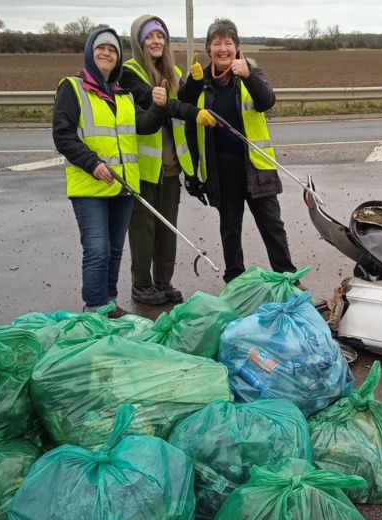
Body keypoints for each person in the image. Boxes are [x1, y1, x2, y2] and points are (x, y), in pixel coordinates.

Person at [52, 27, 169, 317]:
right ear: (90, 53)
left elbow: (144, 126)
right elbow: (63, 135)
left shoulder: (123, 95)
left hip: (123, 187)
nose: (106, 53)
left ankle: (109, 304)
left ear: (118, 59)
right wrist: (92, 163)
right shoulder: (72, 87)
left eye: (113, 50)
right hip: (90, 187)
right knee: (97, 251)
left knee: (115, 250)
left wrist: (158, 107)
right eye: (100, 48)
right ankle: (94, 309)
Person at [178, 18, 299, 284]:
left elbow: (266, 101)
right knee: (230, 230)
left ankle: (288, 278)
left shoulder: (251, 72)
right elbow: (185, 116)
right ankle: (235, 281)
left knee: (272, 226)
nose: (223, 48)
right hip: (220, 170)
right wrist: (193, 173)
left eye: (228, 43)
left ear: (237, 47)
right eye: (217, 43)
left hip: (256, 167)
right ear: (209, 48)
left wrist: (248, 75)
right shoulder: (199, 79)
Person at [119, 15, 217, 306]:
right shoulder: (129, 72)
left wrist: (194, 84)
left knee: (167, 228)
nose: (156, 41)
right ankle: (141, 284)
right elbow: (158, 104)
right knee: (142, 228)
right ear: (139, 41)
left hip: (171, 164)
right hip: (144, 167)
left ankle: (163, 280)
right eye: (149, 36)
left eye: (160, 36)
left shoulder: (171, 70)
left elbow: (179, 100)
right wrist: (192, 112)